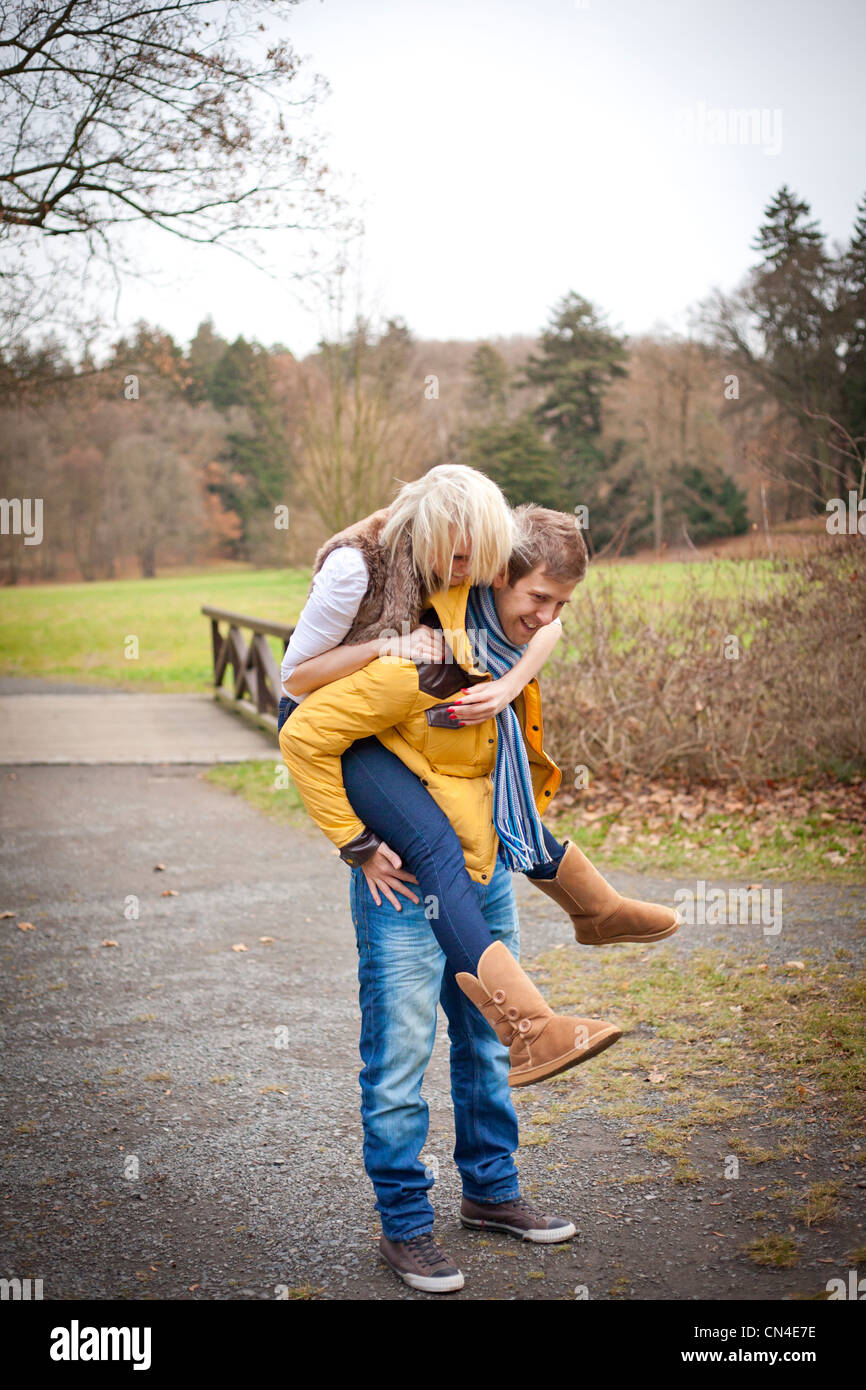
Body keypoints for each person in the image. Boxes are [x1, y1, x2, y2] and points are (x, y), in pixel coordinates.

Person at [278, 472, 679, 990]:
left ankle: (593, 914)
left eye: (480, 562)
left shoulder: (463, 574)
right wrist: (385, 647)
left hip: (381, 708)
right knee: (432, 846)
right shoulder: (356, 568)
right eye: (463, 561)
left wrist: (511, 685)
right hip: (327, 709)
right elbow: (295, 679)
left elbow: (550, 623)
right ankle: (531, 1014)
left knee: (459, 827)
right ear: (430, 533)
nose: (469, 575)